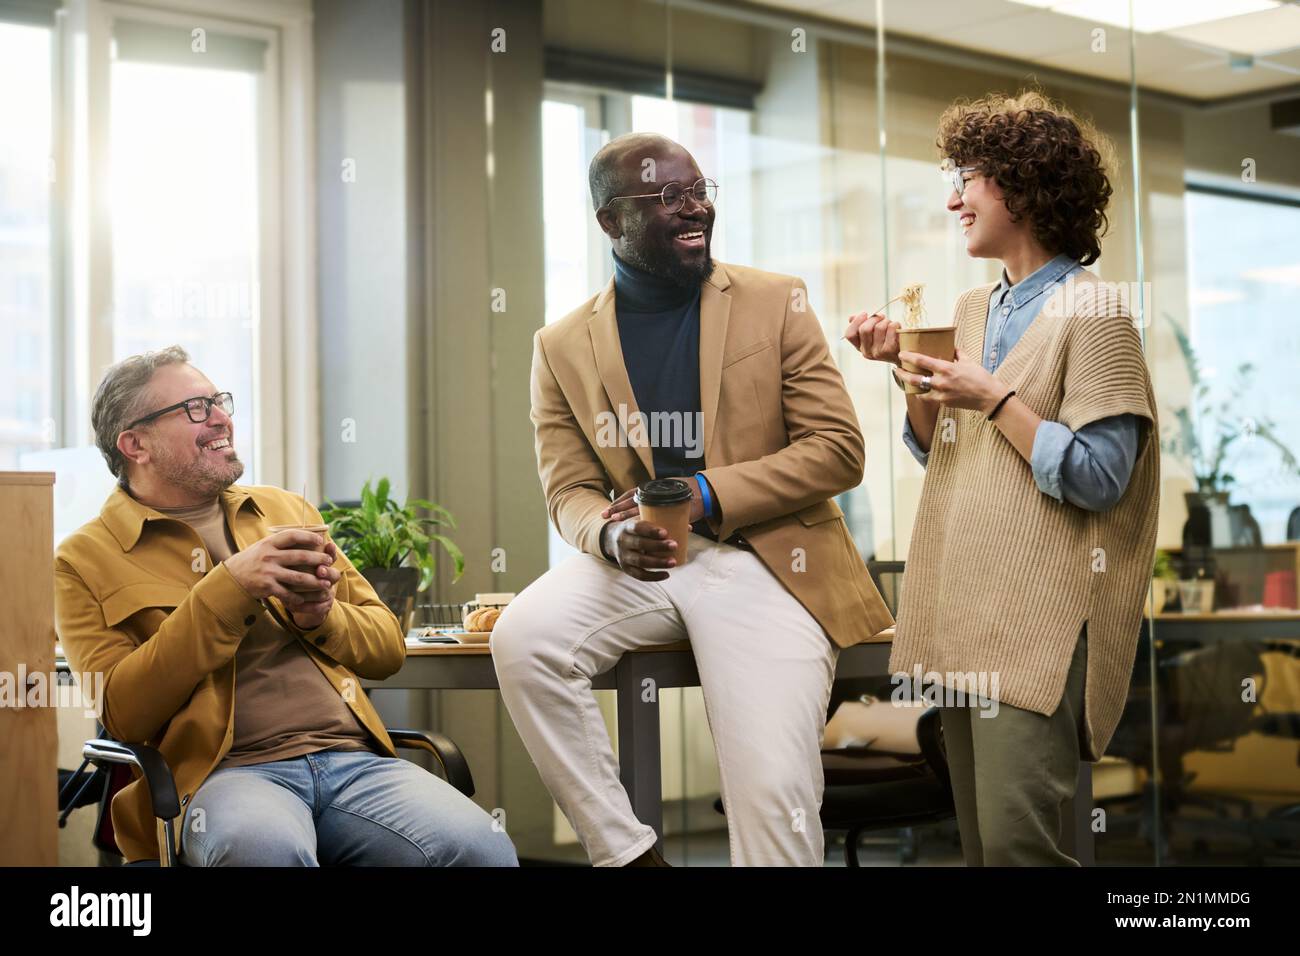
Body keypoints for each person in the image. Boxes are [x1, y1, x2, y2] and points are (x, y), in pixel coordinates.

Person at [491, 132, 893, 867]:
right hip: (644, 564)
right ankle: (629, 855)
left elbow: (839, 450)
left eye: (701, 189)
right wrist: (609, 538)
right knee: (523, 639)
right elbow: (570, 490)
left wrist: (708, 492)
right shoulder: (559, 345)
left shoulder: (776, 301)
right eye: (669, 197)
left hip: (772, 562)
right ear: (612, 221)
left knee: (773, 796)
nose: (696, 207)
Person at [846, 91, 1160, 865]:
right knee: (984, 852)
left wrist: (994, 396)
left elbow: (1098, 479)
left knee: (1022, 850)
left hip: (1037, 630)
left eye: (970, 179)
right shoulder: (973, 311)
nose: (953, 199)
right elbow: (947, 452)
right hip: (962, 619)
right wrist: (909, 376)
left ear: (1022, 187)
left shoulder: (1097, 312)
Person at [55, 346, 518, 867]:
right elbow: (122, 712)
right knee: (263, 852)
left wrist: (322, 616)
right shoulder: (83, 558)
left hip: (354, 763)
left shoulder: (283, 509)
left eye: (219, 401)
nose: (222, 418)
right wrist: (228, 588)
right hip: (226, 776)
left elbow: (386, 648)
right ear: (135, 443)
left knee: (482, 847)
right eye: (195, 408)